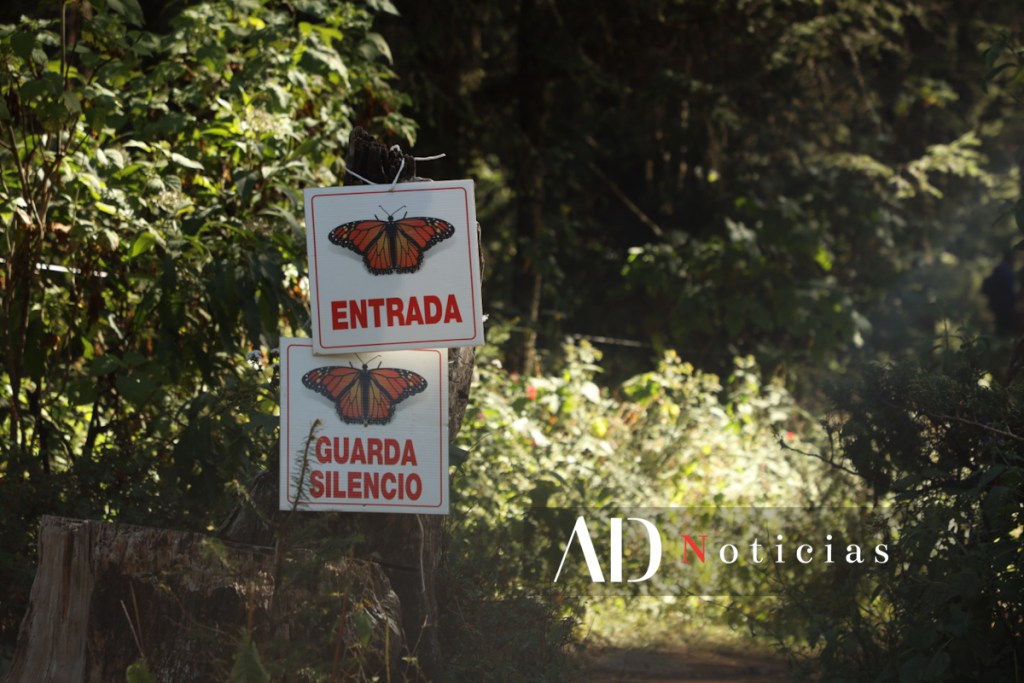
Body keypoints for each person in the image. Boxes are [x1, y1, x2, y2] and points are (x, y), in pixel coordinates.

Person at [982, 249, 1017, 335]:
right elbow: (1009, 291)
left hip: (996, 304)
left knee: (999, 328)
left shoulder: (997, 269)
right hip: (1005, 305)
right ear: (1010, 259)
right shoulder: (1007, 272)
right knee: (1004, 330)